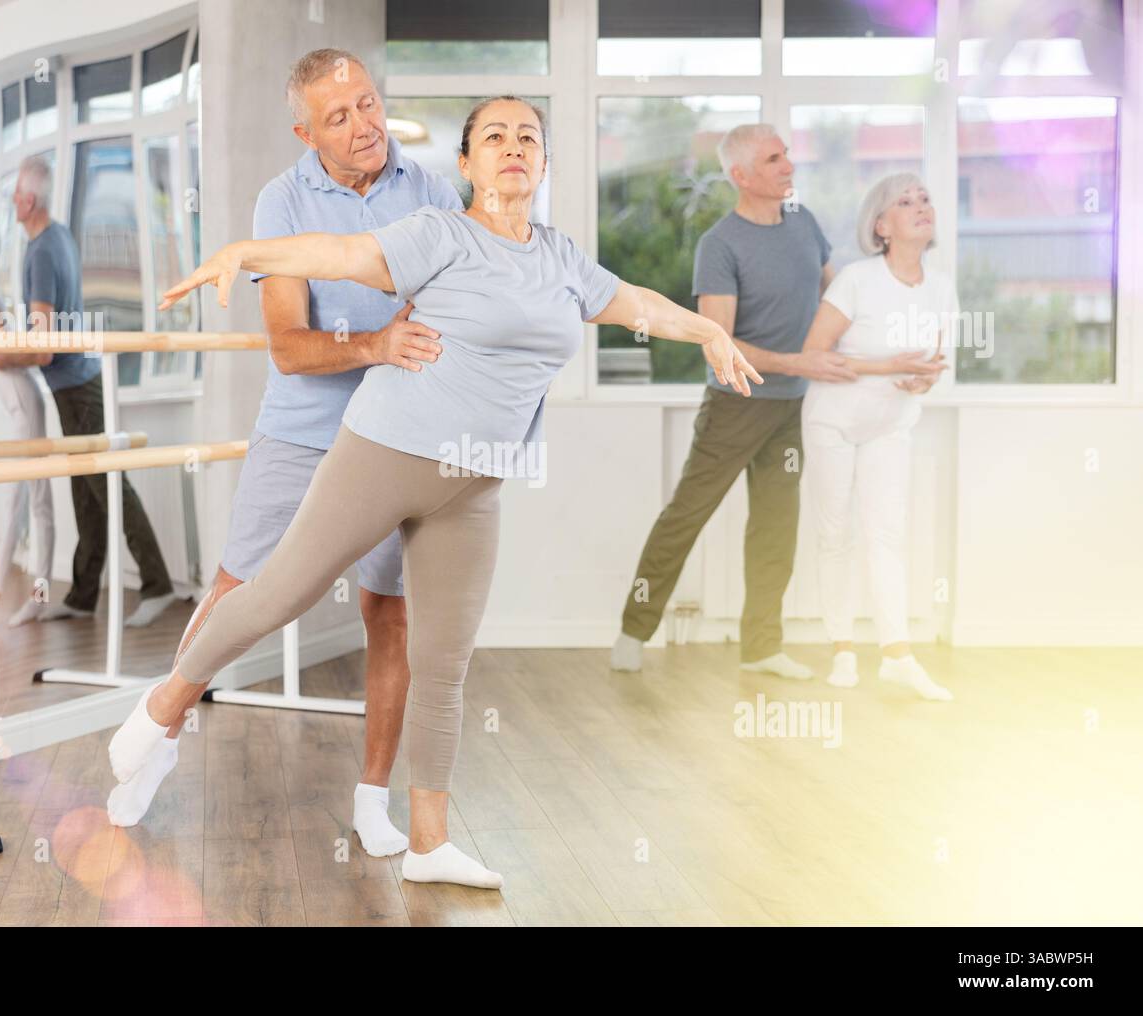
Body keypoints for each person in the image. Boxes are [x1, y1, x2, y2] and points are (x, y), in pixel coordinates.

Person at [108, 94, 761, 890]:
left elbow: (638, 306)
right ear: (467, 163)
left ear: (545, 162)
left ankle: (427, 843)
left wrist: (710, 332)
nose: (513, 146)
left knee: (443, 662)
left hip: (472, 482)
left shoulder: (563, 259)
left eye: (529, 137)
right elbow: (342, 255)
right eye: (495, 136)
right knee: (280, 590)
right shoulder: (441, 234)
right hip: (385, 449)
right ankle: (162, 711)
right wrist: (249, 251)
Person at [107, 49, 464, 853]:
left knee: (390, 615)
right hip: (304, 427)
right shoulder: (284, 199)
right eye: (339, 117)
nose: (364, 125)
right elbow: (292, 349)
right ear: (306, 132)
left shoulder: (433, 191)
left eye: (367, 104)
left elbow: (442, 315)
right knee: (237, 588)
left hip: (399, 430)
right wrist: (379, 339)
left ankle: (374, 800)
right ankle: (164, 727)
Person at [611, 124, 859, 678]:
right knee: (687, 516)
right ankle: (634, 629)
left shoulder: (804, 224)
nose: (789, 165)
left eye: (788, 154)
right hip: (737, 403)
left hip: (795, 406)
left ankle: (762, 647)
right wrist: (801, 363)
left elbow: (833, 299)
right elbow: (716, 342)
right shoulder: (719, 245)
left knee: (777, 524)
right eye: (775, 159)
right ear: (742, 176)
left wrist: (867, 357)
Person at [799, 173, 953, 700]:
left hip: (892, 423)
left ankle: (897, 655)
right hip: (834, 423)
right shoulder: (857, 280)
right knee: (835, 533)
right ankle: (843, 649)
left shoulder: (941, 284)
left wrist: (922, 378)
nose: (920, 206)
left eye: (925, 199)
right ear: (882, 226)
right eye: (905, 202)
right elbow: (815, 355)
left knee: (888, 534)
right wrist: (891, 365)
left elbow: (933, 364)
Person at [6, 155, 176, 629]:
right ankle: (82, 596)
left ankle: (158, 585)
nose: (12, 201)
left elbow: (41, 349)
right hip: (78, 382)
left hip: (76, 387)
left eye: (15, 192)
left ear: (29, 198)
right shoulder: (58, 235)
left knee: (107, 485)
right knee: (86, 489)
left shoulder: (41, 250)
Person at [0, 217, 56, 627]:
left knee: (33, 499)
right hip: (16, 402)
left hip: (24, 400)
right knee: (21, 497)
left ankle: (32, 595)